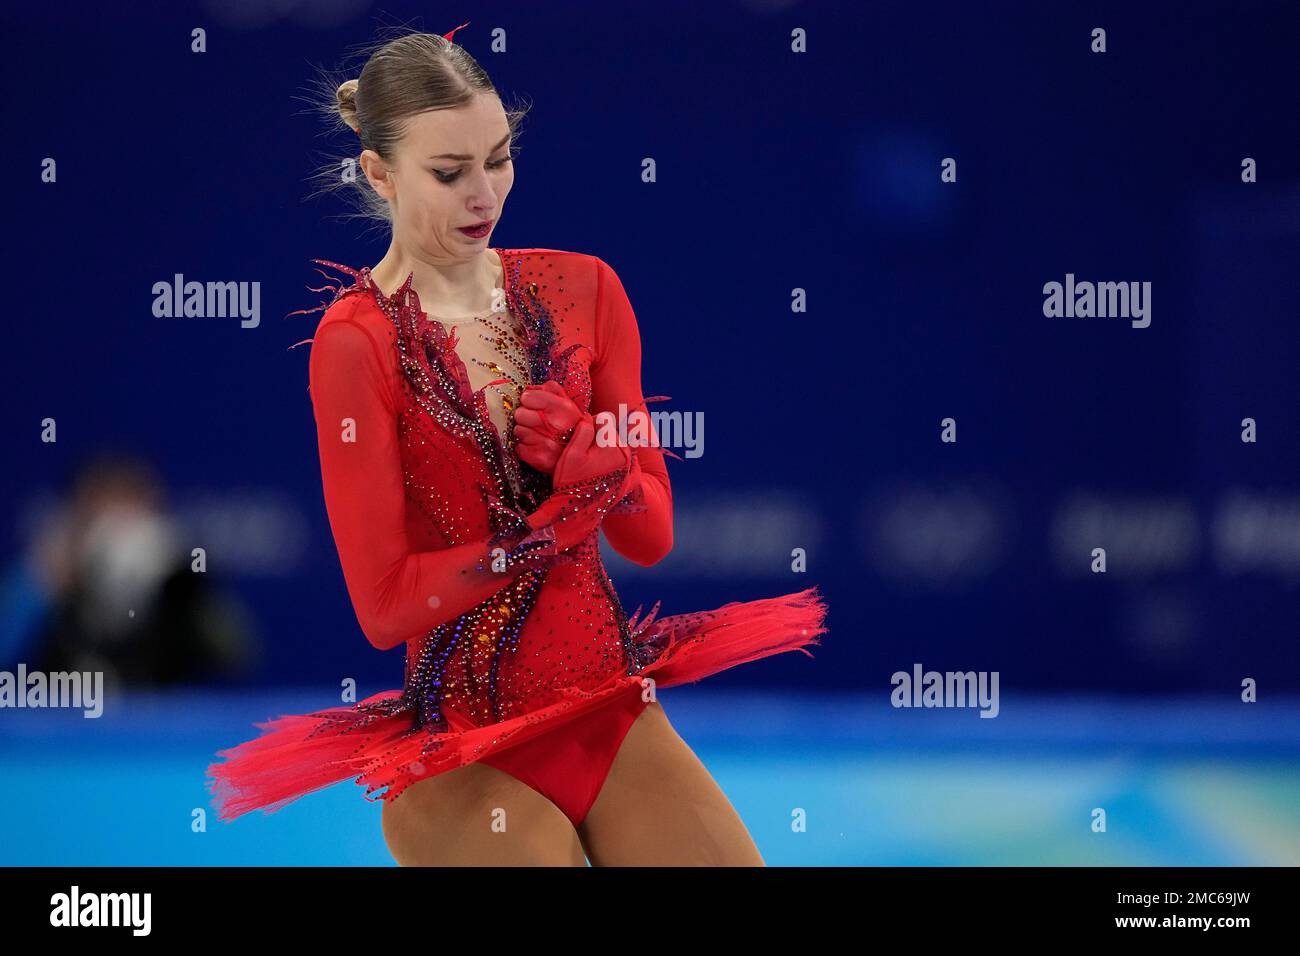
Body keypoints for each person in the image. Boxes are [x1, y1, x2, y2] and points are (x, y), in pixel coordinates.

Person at [205, 25, 827, 866]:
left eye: (499, 158)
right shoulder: (356, 341)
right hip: (466, 746)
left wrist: (606, 478)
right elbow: (384, 606)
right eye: (450, 173)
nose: (484, 194)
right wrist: (554, 524)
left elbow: (650, 537)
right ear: (379, 173)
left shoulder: (585, 290)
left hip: (609, 710)